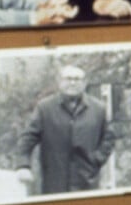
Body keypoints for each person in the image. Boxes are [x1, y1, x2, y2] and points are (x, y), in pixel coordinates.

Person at [15, 64, 116, 194]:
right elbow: (28, 138)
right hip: (54, 181)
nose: (72, 83)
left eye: (77, 79)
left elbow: (109, 138)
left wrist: (96, 160)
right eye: (68, 79)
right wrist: (23, 165)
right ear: (60, 82)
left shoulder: (98, 109)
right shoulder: (45, 108)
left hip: (87, 181)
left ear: (84, 83)